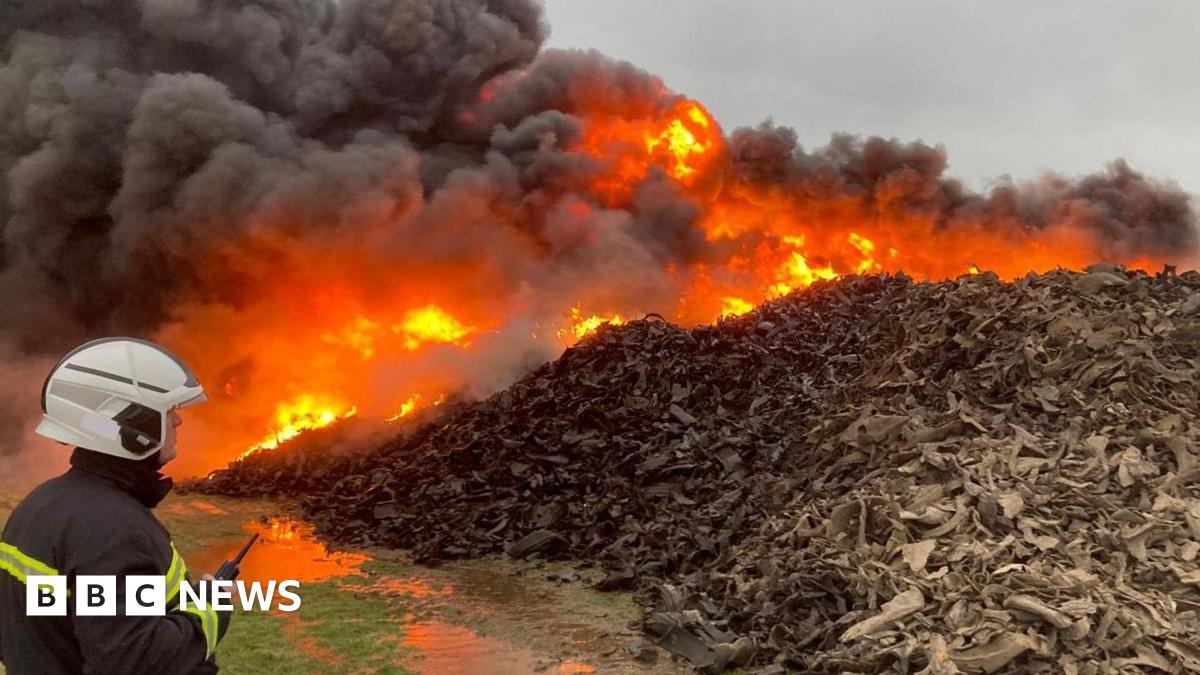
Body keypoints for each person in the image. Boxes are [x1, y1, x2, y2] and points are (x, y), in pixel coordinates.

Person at [0, 337, 230, 674]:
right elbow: (135, 661)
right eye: (168, 411)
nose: (178, 422)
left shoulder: (41, 503)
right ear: (132, 425)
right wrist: (209, 607)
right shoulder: (114, 531)